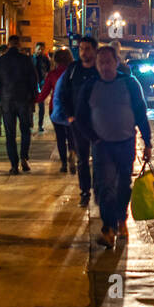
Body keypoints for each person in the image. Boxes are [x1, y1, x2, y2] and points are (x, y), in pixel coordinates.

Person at [79, 45, 152, 250]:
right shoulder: (90, 86)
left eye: (108, 62)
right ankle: (109, 228)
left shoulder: (129, 84)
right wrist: (93, 138)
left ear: (116, 62)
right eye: (100, 62)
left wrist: (148, 143)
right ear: (96, 65)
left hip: (126, 143)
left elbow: (140, 114)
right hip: (102, 146)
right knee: (105, 187)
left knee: (123, 185)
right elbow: (81, 117)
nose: (104, 66)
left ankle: (121, 219)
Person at [52, 36, 100, 207]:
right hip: (78, 122)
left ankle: (99, 190)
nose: (83, 52)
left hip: (98, 122)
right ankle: (85, 192)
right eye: (81, 49)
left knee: (100, 158)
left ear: (95, 50)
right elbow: (63, 93)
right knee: (82, 159)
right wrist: (70, 116)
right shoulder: (73, 69)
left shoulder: (100, 68)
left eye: (87, 49)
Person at [0, 33, 40, 174]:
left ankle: (14, 164)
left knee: (10, 134)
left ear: (8, 44)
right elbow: (33, 79)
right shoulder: (26, 60)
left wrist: (0, 96)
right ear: (19, 45)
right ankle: (24, 157)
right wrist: (33, 97)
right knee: (25, 131)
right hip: (24, 100)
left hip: (7, 101)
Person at [38, 49, 73, 172]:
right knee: (71, 134)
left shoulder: (52, 74)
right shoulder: (73, 72)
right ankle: (73, 152)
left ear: (56, 60)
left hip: (56, 108)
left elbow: (43, 94)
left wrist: (31, 99)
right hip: (72, 109)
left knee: (60, 137)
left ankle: (64, 163)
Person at [32, 42, 52, 133]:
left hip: (41, 84)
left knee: (41, 105)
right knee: (30, 106)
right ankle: (30, 123)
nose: (40, 51)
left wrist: (45, 81)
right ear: (35, 48)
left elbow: (48, 71)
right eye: (39, 49)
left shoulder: (45, 59)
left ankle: (40, 124)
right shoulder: (31, 59)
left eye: (42, 49)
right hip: (32, 85)